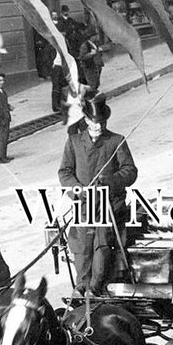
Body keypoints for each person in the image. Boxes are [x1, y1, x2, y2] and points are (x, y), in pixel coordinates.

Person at [57, 94, 138, 296]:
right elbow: (64, 172)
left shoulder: (116, 141)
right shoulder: (74, 142)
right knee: (82, 246)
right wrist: (78, 189)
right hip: (84, 205)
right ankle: (81, 286)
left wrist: (111, 181)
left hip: (109, 205)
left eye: (102, 123)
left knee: (102, 245)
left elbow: (130, 170)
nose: (98, 127)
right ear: (85, 121)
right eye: (94, 123)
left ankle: (95, 288)